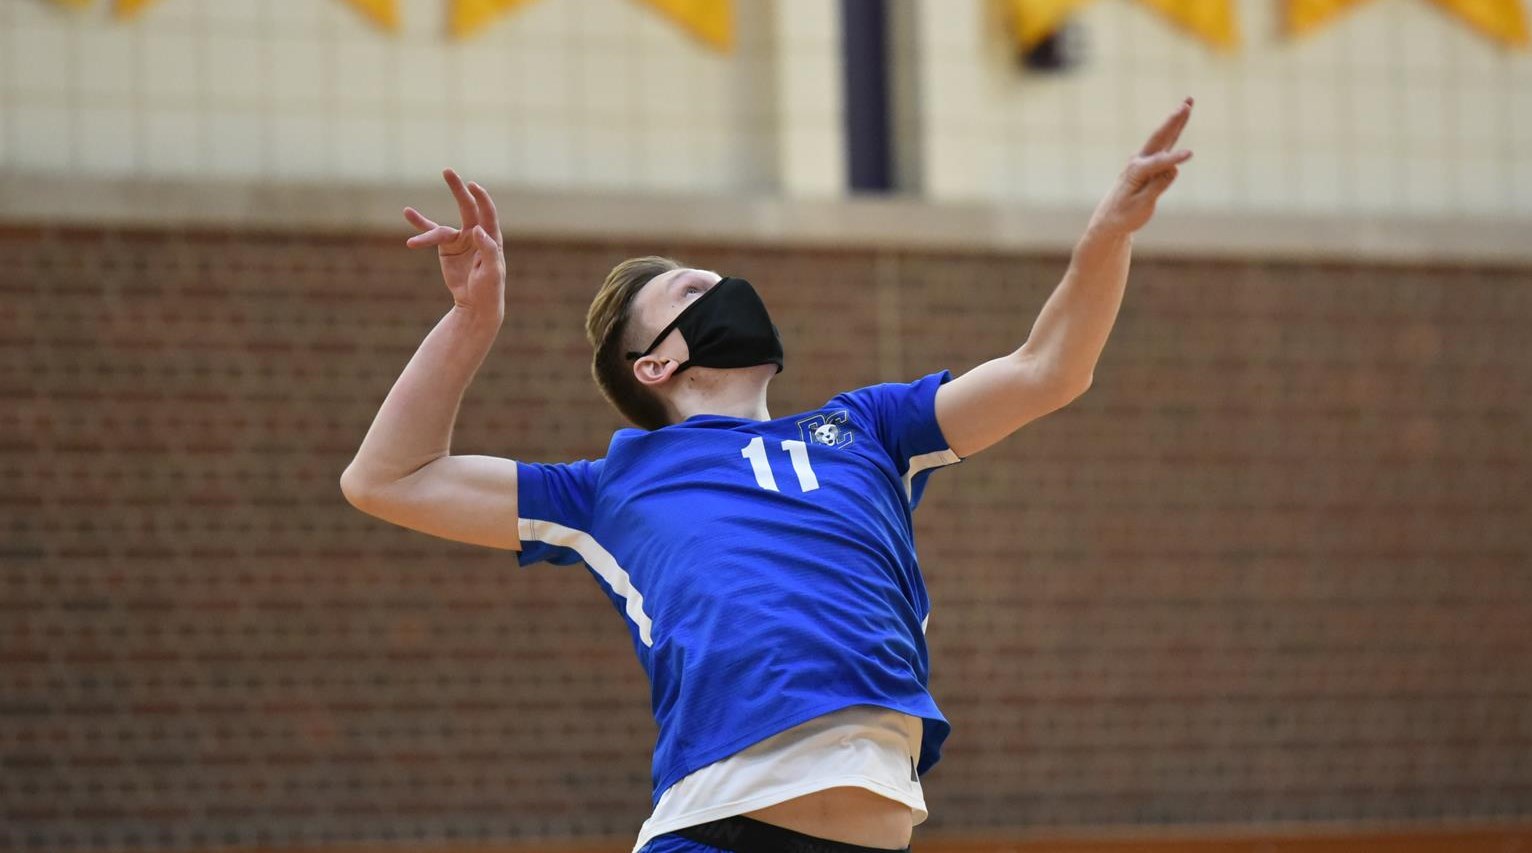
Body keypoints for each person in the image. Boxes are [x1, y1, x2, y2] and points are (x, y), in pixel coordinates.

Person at [340, 99, 1195, 853]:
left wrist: (1107, 235)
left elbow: (1050, 369)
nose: (725, 290)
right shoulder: (609, 488)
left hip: (875, 827)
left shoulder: (869, 427)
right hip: (715, 823)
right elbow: (388, 477)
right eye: (693, 290)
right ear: (656, 362)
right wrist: (471, 320)